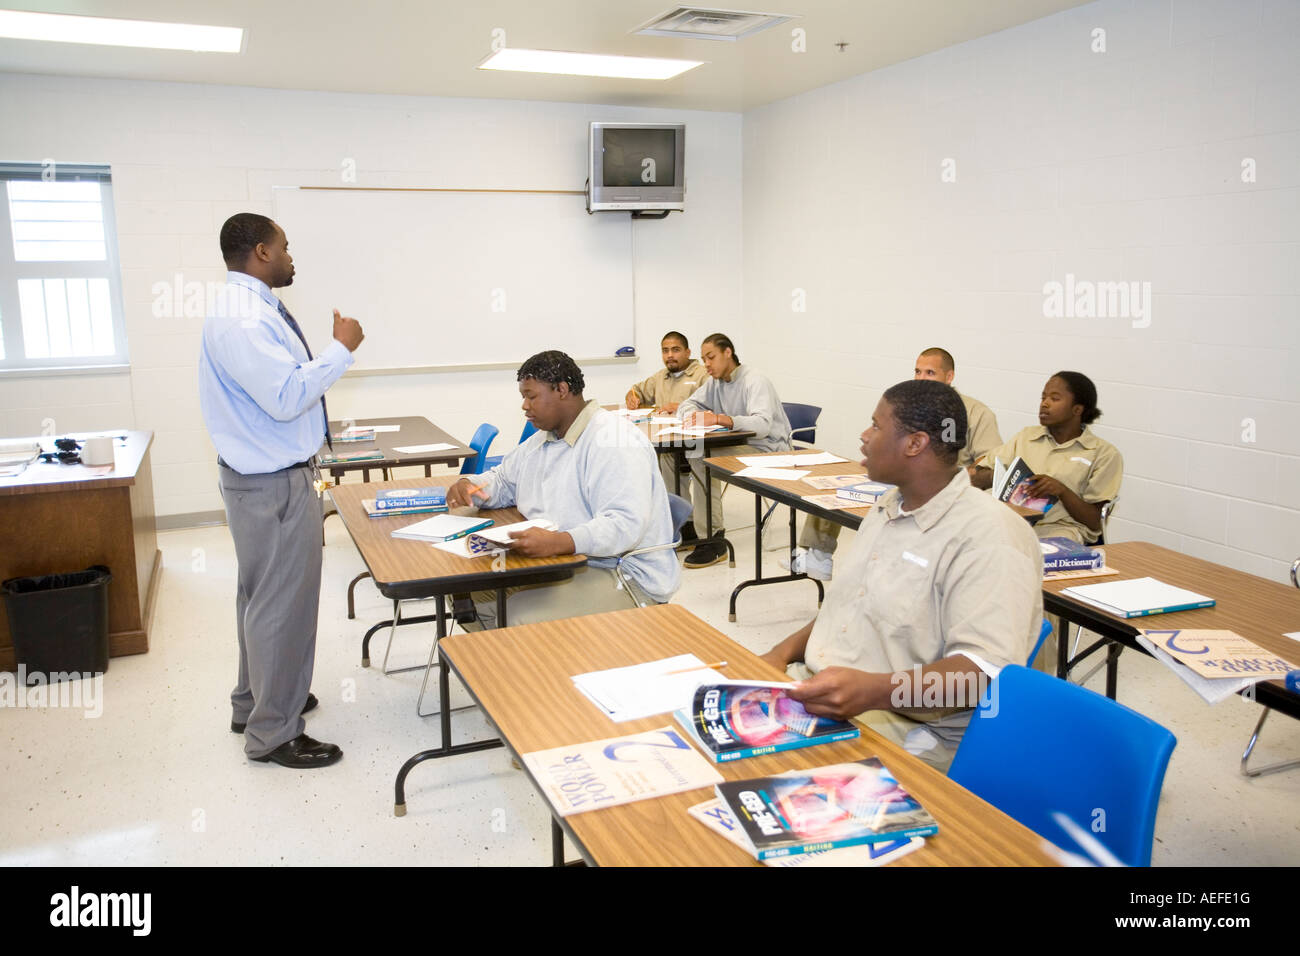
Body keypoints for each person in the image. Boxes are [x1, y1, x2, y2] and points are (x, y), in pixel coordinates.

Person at [759, 380, 1042, 773]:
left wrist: (871, 691)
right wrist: (780, 654)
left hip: (907, 730)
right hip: (828, 693)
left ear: (915, 444)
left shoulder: (990, 537)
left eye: (875, 426)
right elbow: (849, 605)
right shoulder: (890, 505)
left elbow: (980, 676)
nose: (864, 435)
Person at [199, 212, 364, 769]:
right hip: (272, 484)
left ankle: (257, 702)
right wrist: (340, 350)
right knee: (283, 606)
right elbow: (286, 396)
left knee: (260, 598)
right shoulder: (243, 319)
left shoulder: (247, 309)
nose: (293, 258)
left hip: (260, 479)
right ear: (263, 253)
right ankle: (273, 732)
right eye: (286, 247)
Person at [446, 350, 679, 627]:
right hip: (561, 561)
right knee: (466, 587)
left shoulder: (614, 441)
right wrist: (470, 485)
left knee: (520, 615)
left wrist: (559, 542)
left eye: (531, 396)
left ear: (562, 390)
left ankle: (523, 660)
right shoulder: (542, 440)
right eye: (523, 396)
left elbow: (623, 526)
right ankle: (501, 665)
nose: (524, 405)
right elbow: (504, 479)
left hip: (621, 573)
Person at [789, 347, 1003, 581]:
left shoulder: (975, 413)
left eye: (930, 373)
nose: (921, 378)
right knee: (837, 487)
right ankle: (819, 555)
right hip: (901, 480)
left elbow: (989, 462)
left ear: (949, 377)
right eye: (918, 371)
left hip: (939, 488)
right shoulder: (906, 407)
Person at [675, 333, 792, 569]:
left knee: (699, 456)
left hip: (770, 450)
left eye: (711, 357)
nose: (706, 364)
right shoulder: (716, 382)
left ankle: (714, 540)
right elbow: (687, 405)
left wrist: (721, 418)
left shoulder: (754, 380)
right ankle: (689, 526)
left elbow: (761, 426)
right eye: (703, 359)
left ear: (728, 353)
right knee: (683, 454)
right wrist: (694, 416)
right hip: (742, 444)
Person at [972, 370, 1122, 545]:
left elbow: (1095, 521)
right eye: (1043, 398)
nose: (1044, 404)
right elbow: (975, 475)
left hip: (1061, 529)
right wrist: (998, 476)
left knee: (1033, 551)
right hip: (1015, 522)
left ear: (1077, 409)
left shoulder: (1103, 454)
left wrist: (1061, 491)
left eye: (1055, 399)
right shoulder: (1026, 437)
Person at [624, 331, 706, 547]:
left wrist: (680, 408)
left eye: (676, 350)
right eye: (665, 351)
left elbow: (714, 404)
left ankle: (701, 527)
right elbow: (636, 391)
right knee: (664, 458)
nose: (670, 355)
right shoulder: (660, 377)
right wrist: (632, 396)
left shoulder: (702, 375)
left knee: (681, 459)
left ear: (688, 352)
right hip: (668, 442)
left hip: (699, 442)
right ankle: (683, 521)